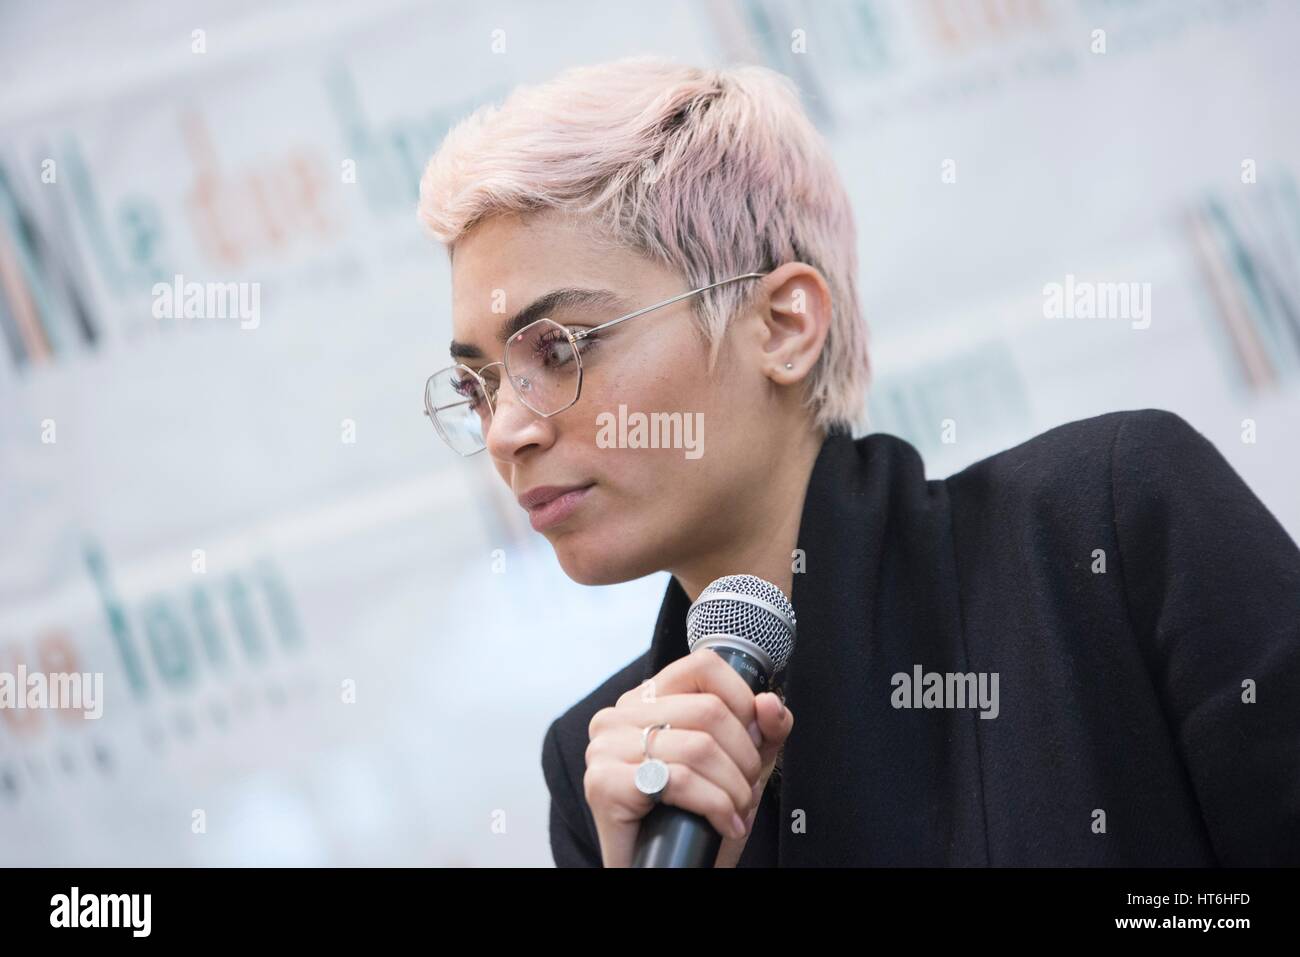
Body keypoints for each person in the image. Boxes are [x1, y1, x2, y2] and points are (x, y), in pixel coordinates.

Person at [415, 56, 1300, 866]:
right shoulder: (603, 769)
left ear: (784, 325)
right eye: (479, 384)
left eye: (562, 347)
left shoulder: (1105, 528)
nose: (505, 433)